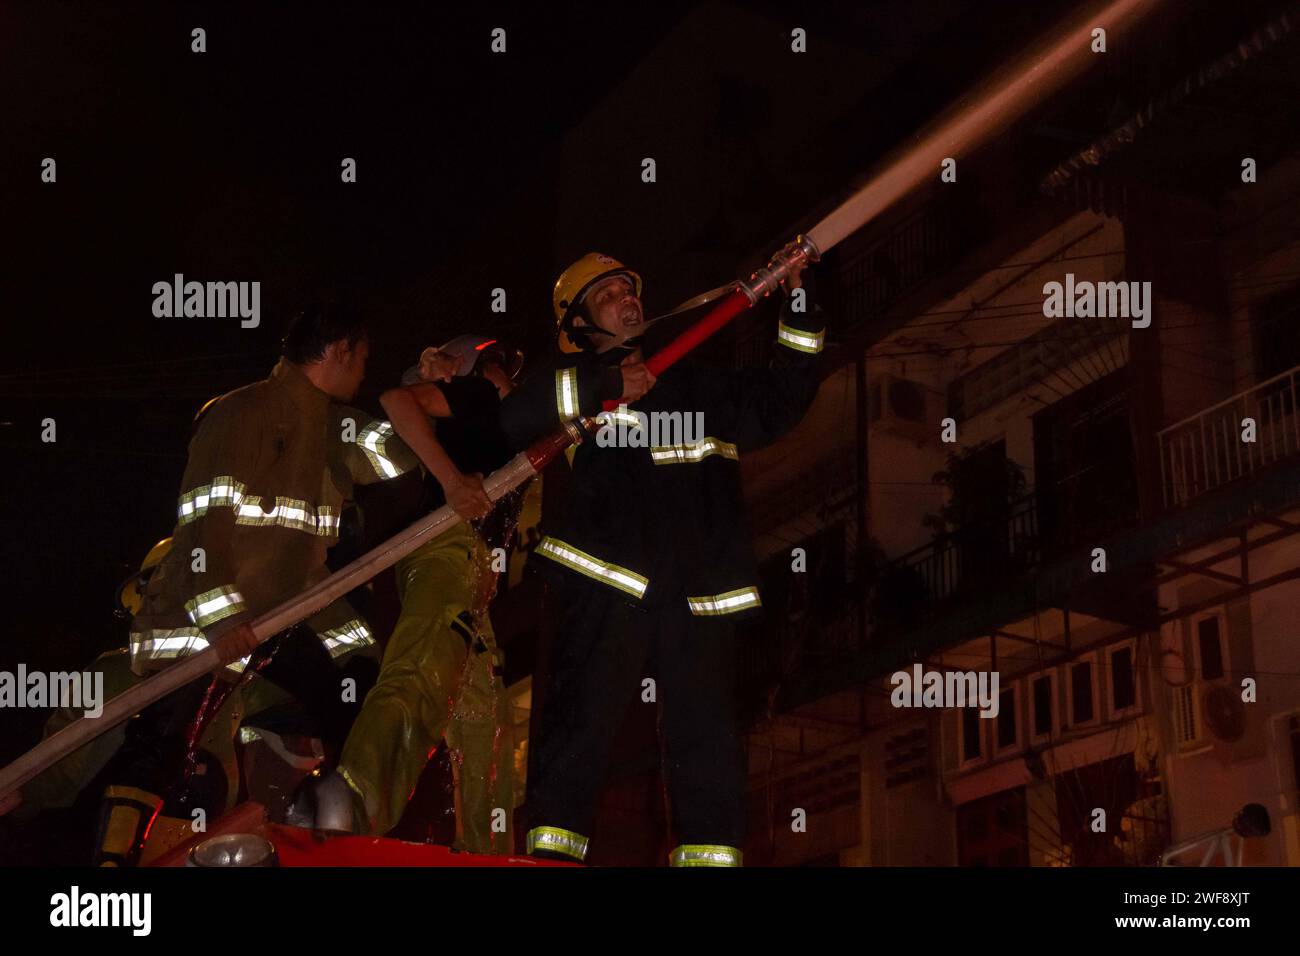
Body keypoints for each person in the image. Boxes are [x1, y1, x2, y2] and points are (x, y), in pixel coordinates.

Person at [500, 252, 825, 866]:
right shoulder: (573, 384)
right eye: (607, 296)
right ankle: (551, 862)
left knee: (708, 742)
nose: (627, 298)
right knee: (577, 732)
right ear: (577, 326)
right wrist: (606, 385)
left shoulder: (699, 384)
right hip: (608, 580)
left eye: (628, 288)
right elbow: (516, 416)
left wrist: (801, 300)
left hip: (698, 591)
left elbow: (785, 397)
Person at [91, 301, 420, 866]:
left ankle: (333, 837)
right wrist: (220, 618)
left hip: (279, 618)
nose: (366, 374)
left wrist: (427, 395)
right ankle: (113, 869)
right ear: (340, 350)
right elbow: (203, 525)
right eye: (363, 359)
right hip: (198, 620)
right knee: (165, 739)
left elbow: (402, 459)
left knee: (358, 694)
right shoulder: (240, 414)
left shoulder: (336, 427)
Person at [306, 336, 526, 854]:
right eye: (497, 368)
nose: (508, 380)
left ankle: (485, 856)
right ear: (469, 372)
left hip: (470, 573)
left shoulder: (498, 415)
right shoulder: (478, 398)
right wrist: (453, 483)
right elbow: (397, 400)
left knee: (486, 724)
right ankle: (352, 797)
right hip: (451, 549)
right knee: (422, 668)